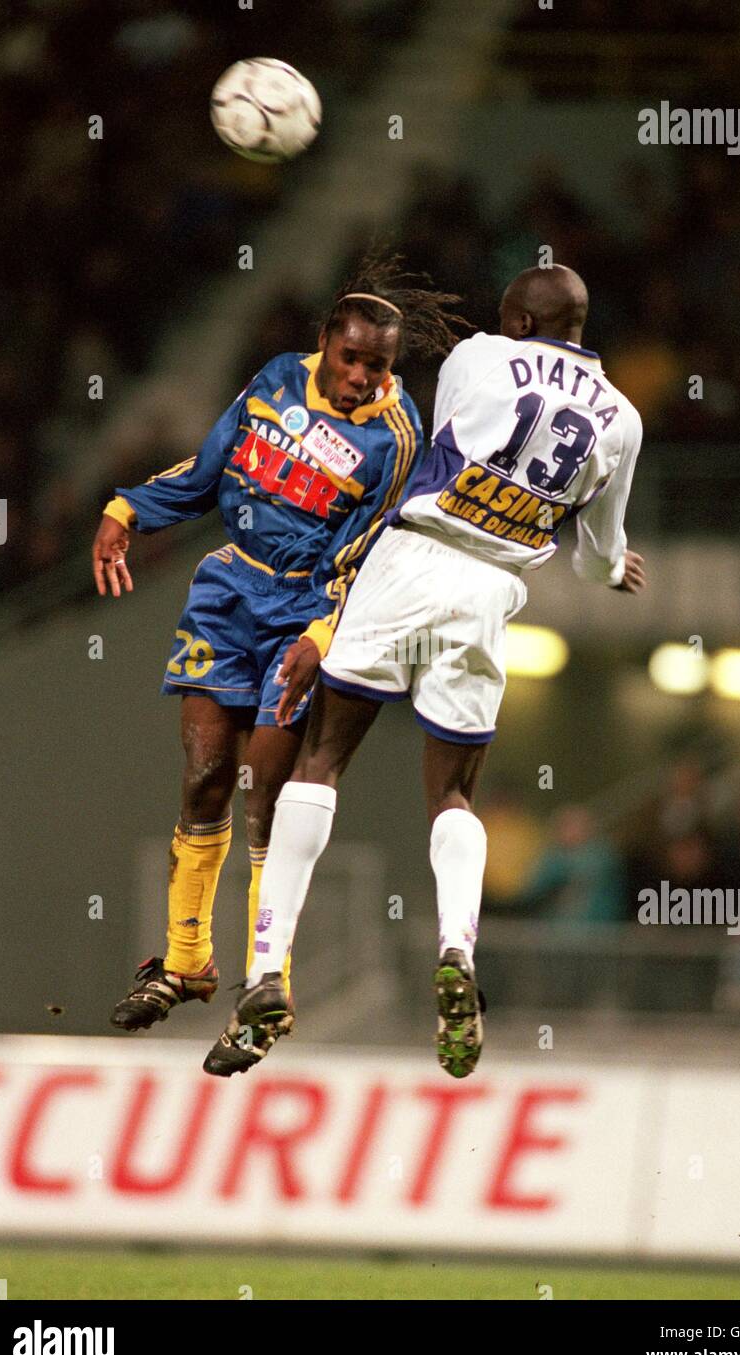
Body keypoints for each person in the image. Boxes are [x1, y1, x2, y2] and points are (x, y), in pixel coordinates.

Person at [211, 263, 646, 1079]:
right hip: (491, 591)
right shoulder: (622, 420)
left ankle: (268, 970)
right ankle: (458, 952)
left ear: (517, 318)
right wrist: (616, 566)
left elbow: (435, 445)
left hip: (411, 559)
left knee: (322, 760)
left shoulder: (475, 358)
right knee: (452, 794)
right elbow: (595, 562)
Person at [91, 256, 463, 1065]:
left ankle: (268, 984)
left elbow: (371, 557)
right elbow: (208, 468)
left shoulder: (398, 439)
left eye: (378, 365)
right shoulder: (273, 380)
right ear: (325, 343)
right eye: (351, 357)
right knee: (203, 778)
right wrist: (126, 509)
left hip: (305, 617)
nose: (362, 375)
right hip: (229, 594)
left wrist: (324, 637)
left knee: (267, 794)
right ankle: (186, 964)